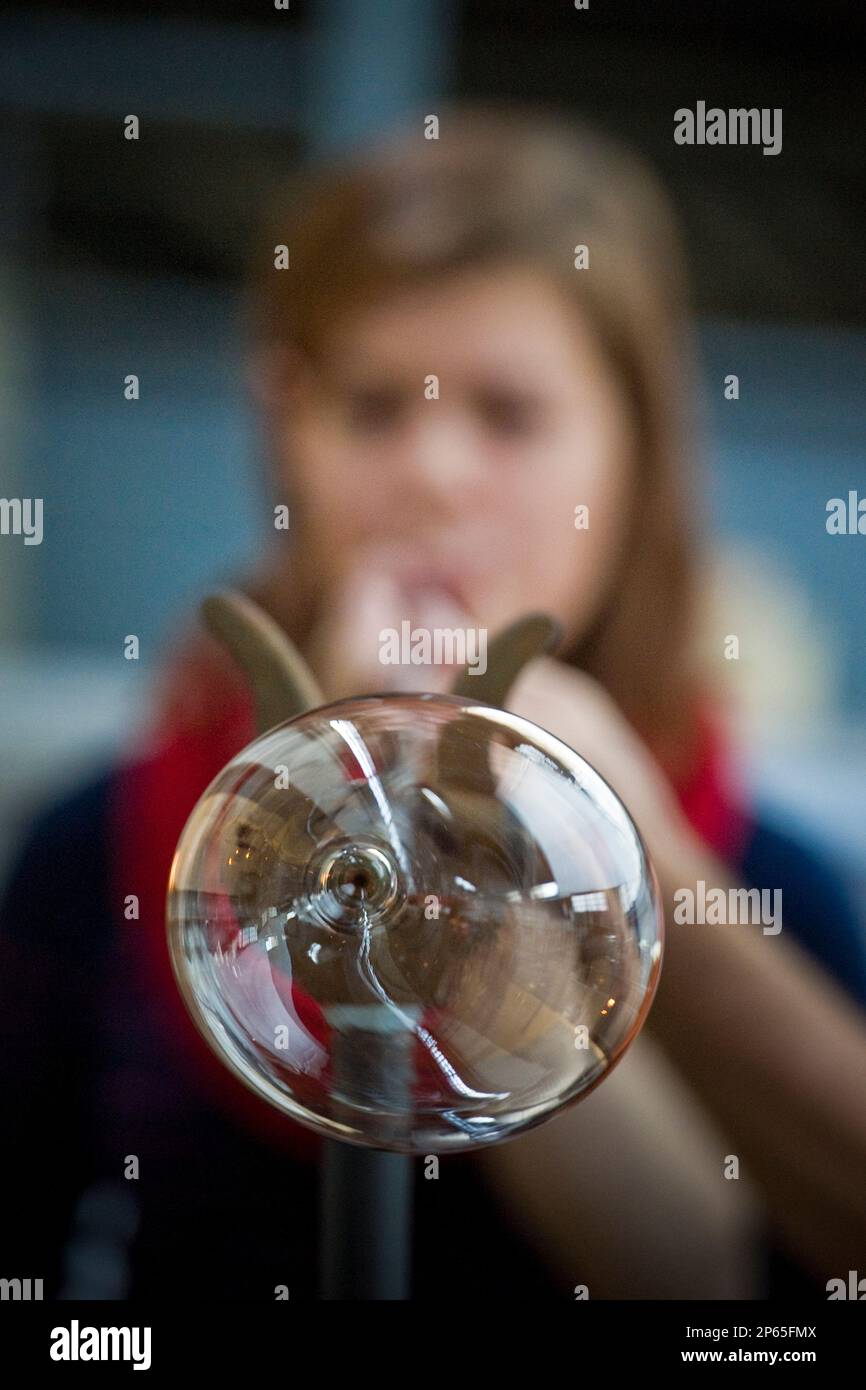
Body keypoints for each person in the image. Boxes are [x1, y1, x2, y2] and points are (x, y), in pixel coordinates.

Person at [3, 105, 866, 1301]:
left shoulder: (782, 896)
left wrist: (513, 832)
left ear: (634, 450)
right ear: (284, 430)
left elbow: (716, 1285)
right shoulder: (89, 859)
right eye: (370, 408)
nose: (431, 473)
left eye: (507, 413)